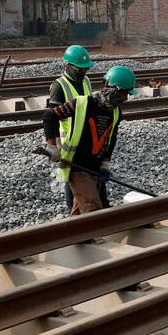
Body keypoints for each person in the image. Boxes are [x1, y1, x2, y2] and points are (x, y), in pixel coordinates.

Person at [42, 65, 135, 215]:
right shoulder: (82, 103)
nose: (126, 98)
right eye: (124, 93)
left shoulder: (116, 112)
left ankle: (75, 236)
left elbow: (111, 139)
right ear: (114, 89)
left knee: (82, 211)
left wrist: (105, 163)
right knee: (93, 209)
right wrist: (52, 146)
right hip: (77, 166)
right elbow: (49, 117)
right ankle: (93, 237)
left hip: (95, 167)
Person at [47, 44, 107, 210]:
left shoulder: (86, 81)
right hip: (68, 144)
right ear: (67, 65)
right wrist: (53, 145)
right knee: (71, 179)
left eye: (85, 69)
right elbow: (51, 117)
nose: (83, 72)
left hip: (86, 141)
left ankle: (79, 215)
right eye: (79, 69)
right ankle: (72, 215)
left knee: (90, 180)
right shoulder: (59, 86)